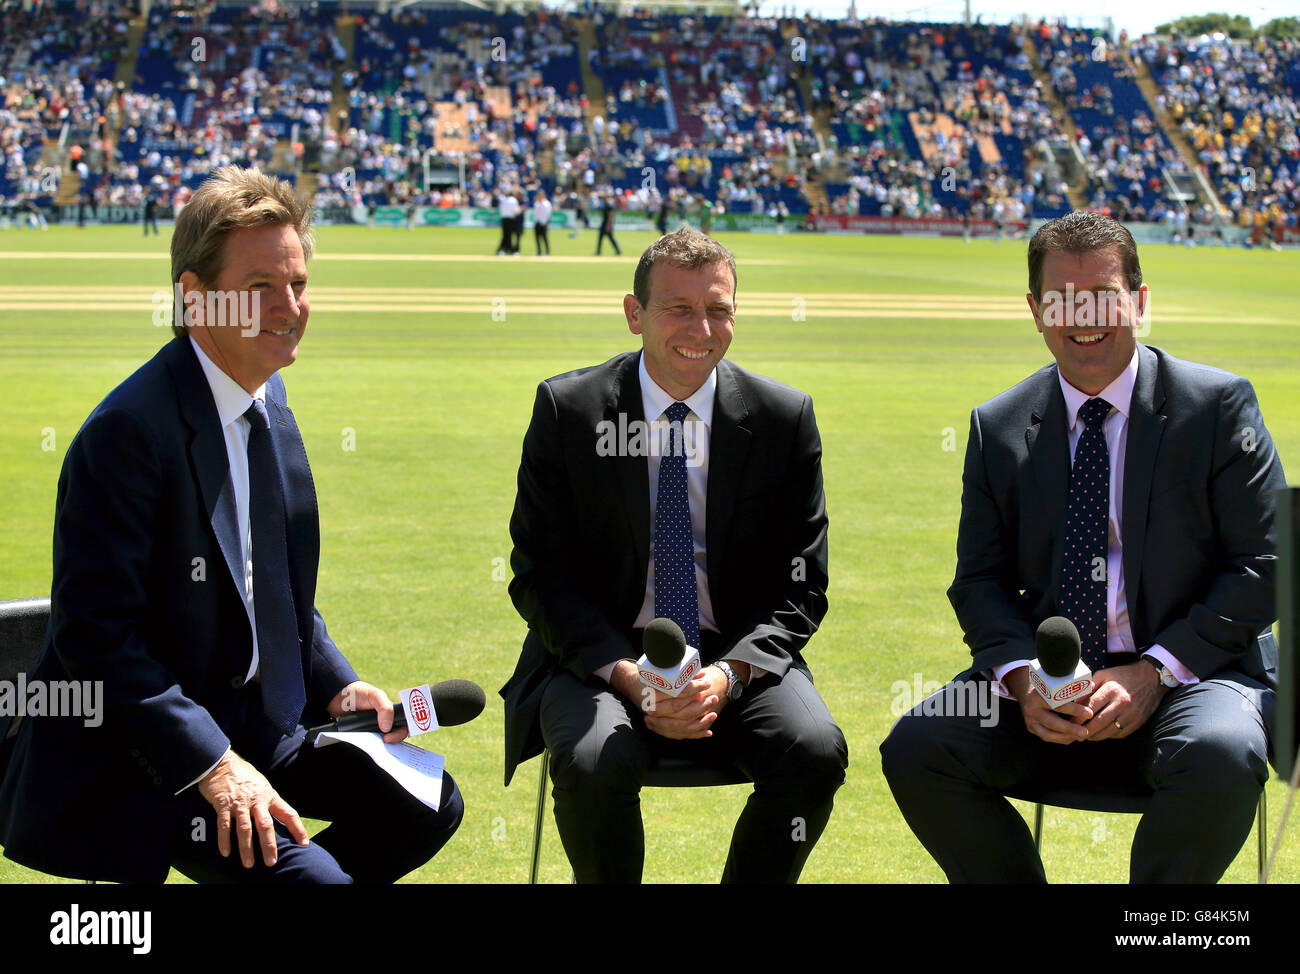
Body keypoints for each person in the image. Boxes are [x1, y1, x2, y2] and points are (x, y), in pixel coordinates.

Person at [0, 166, 464, 884]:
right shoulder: (128, 432)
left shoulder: (266, 399)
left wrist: (338, 685)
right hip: (145, 755)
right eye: (260, 289)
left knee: (429, 801)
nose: (290, 307)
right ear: (194, 296)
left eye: (299, 285)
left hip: (259, 723)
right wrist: (213, 763)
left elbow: (269, 587)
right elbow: (95, 637)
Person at [880, 210, 1284, 883]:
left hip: (1194, 679)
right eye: (1063, 298)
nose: (1083, 315)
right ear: (1035, 311)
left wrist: (1153, 673)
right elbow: (978, 583)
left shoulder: (1216, 409)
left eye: (1103, 294)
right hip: (1053, 692)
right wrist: (1022, 679)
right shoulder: (998, 427)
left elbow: (1266, 566)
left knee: (1223, 750)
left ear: (1140, 301)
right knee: (919, 745)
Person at [501, 227, 848, 883]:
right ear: (635, 314)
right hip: (602, 657)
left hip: (735, 658)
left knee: (814, 750)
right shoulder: (568, 410)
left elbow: (802, 584)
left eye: (719, 309)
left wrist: (726, 677)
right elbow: (539, 576)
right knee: (592, 760)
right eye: (679, 309)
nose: (702, 328)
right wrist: (631, 677)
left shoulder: (783, 418)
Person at [532, 191, 551, 256]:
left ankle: (547, 251)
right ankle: (539, 251)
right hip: (537, 222)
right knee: (537, 238)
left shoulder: (547, 204)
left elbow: (548, 214)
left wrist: (547, 223)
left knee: (545, 238)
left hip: (544, 223)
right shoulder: (537, 204)